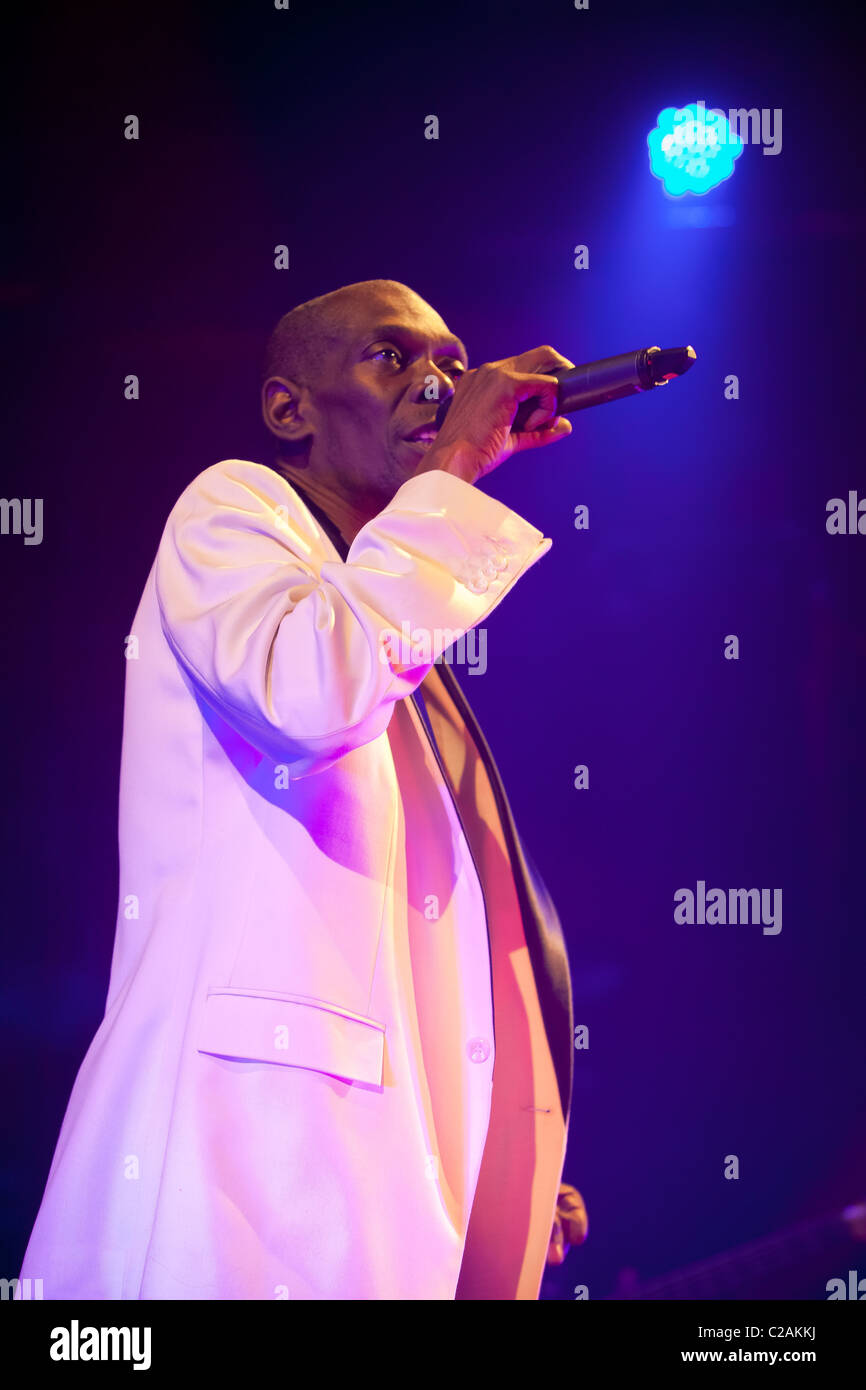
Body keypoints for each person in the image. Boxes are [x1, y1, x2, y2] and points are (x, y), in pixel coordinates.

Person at [19, 278, 587, 1300]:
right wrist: (459, 460)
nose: (437, 383)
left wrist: (502, 1156)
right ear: (291, 409)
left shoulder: (396, 617)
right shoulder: (231, 512)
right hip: (248, 1171)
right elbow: (304, 693)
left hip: (382, 1187)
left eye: (452, 365)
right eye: (391, 357)